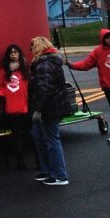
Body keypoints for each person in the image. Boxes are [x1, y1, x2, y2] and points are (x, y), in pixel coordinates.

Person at [29, 36, 69, 186]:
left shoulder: (43, 65)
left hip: (49, 109)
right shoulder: (51, 62)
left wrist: (38, 110)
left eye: (32, 46)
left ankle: (59, 174)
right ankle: (47, 170)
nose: (31, 49)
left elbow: (44, 89)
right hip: (53, 106)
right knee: (39, 137)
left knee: (52, 140)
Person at [0, 44, 32, 169]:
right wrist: (1, 96)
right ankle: (20, 160)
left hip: (24, 104)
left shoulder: (25, 68)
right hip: (11, 106)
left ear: (19, 53)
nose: (13, 54)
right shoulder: (4, 70)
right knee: (15, 135)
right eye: (11, 52)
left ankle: (37, 160)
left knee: (28, 133)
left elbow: (29, 84)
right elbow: (1, 86)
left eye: (15, 52)